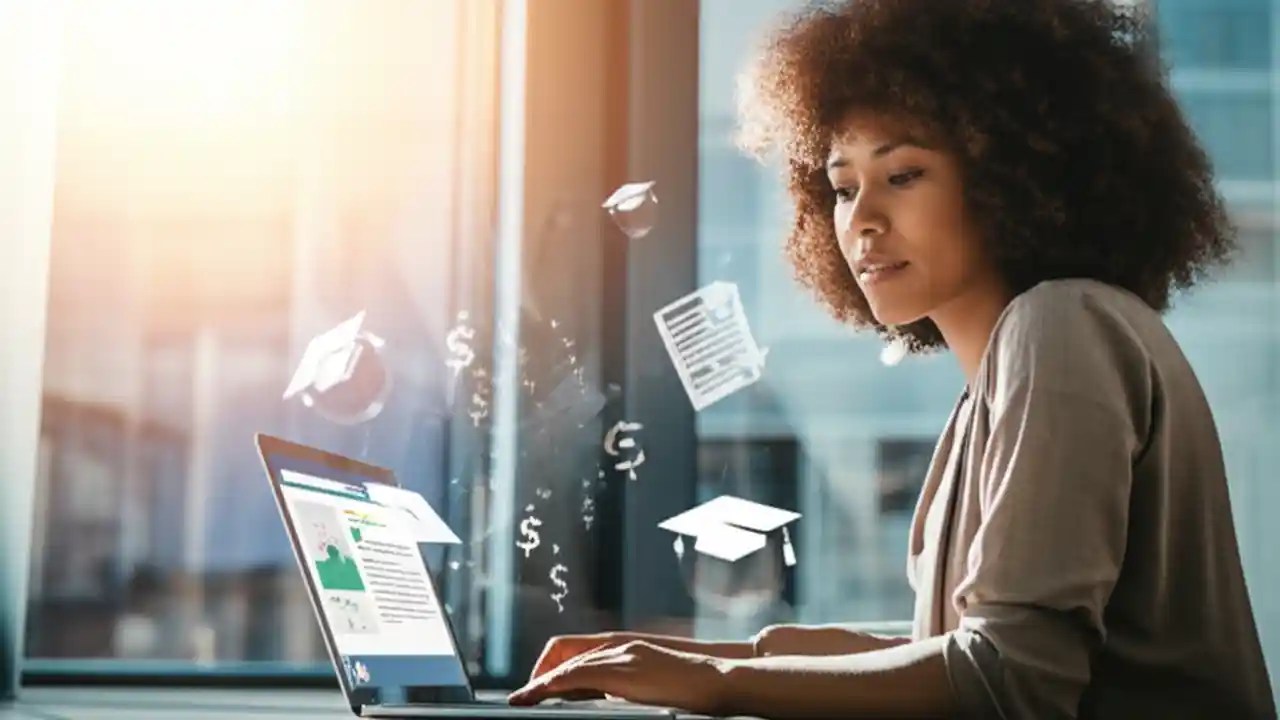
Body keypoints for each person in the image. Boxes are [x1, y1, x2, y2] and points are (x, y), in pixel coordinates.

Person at [508, 0, 1278, 717]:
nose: (862, 222)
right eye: (842, 188)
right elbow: (938, 650)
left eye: (903, 175)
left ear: (1013, 171)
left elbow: (1007, 679)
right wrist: (690, 655)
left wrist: (718, 679)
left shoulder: (1060, 327)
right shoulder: (994, 386)